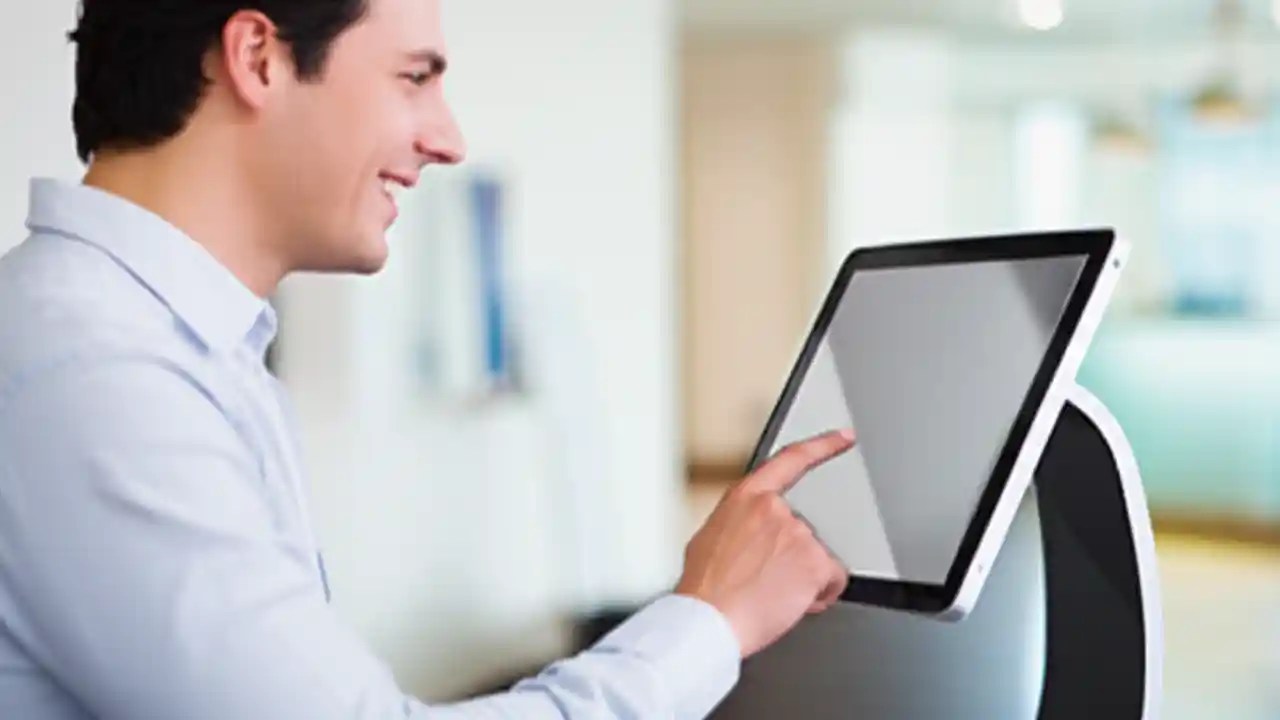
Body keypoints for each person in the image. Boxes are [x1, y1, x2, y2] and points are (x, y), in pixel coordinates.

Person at [0, 1, 855, 718]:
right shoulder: (92, 371)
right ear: (258, 57)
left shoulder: (184, 353)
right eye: (414, 78)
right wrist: (708, 622)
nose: (447, 139)